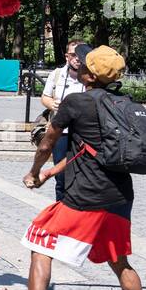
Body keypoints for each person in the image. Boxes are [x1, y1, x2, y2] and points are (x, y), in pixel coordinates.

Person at [13, 45, 146, 290]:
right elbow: (82, 150)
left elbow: (47, 142)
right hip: (120, 197)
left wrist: (35, 170)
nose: (78, 65)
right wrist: (52, 173)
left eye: (85, 63)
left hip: (86, 196)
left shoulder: (75, 102)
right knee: (120, 261)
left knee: (40, 242)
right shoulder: (124, 103)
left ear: (90, 75)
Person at [39, 41, 88, 202]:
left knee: (82, 173)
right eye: (73, 55)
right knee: (60, 176)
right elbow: (45, 97)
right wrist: (51, 104)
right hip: (61, 131)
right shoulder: (57, 74)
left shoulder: (91, 75)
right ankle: (61, 208)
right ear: (67, 56)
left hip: (83, 132)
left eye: (80, 55)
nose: (77, 58)